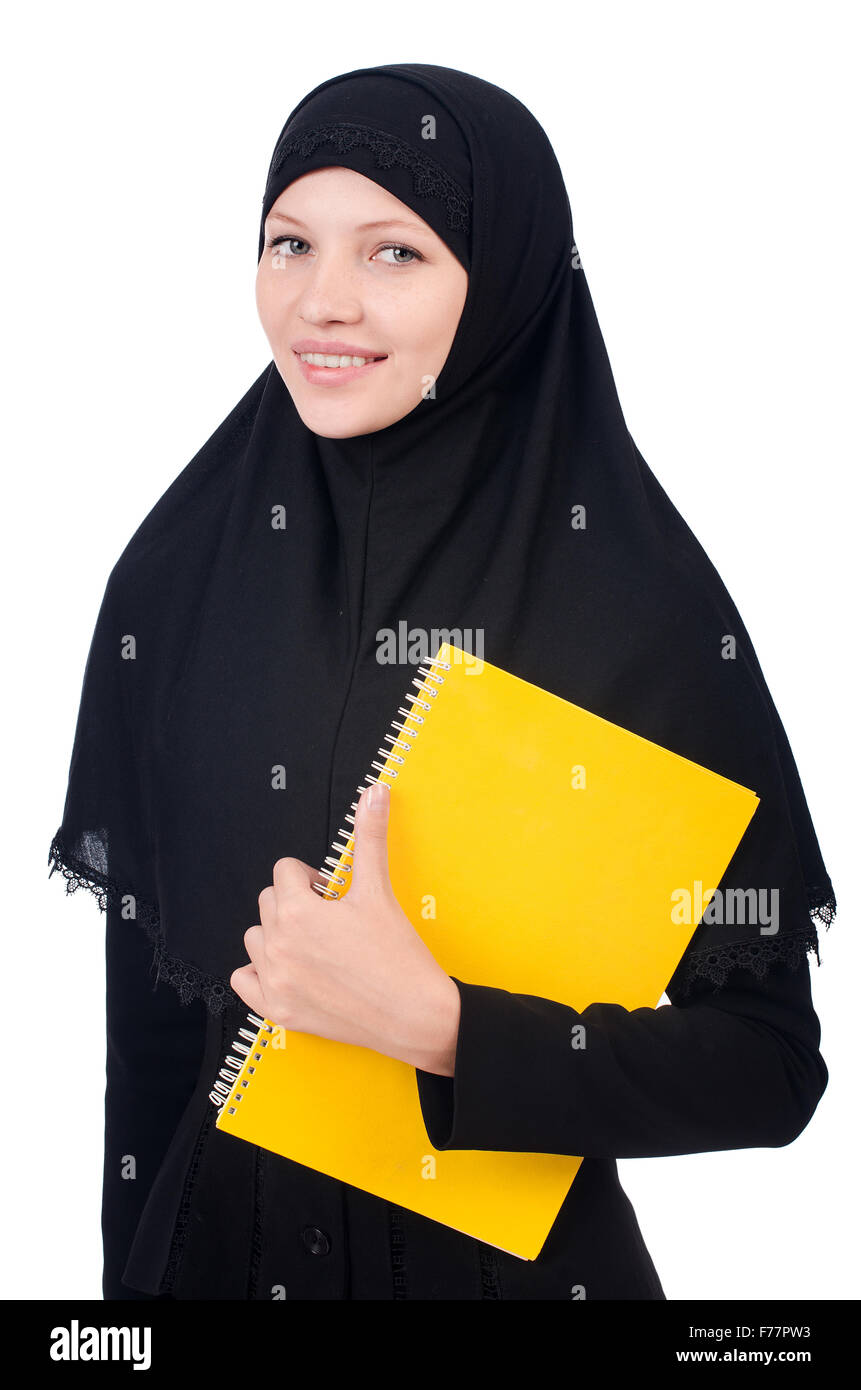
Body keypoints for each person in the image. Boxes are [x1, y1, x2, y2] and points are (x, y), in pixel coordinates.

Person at [48, 62, 836, 1301]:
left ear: (508, 278)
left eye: (395, 253)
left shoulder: (641, 612)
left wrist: (449, 1030)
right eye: (289, 242)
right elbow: (149, 1046)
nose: (322, 302)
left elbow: (767, 1065)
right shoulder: (175, 578)